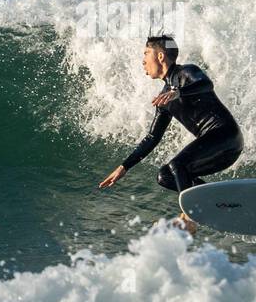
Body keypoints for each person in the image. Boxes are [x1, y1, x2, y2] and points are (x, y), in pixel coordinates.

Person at [98, 35, 243, 229]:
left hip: (225, 135)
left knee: (178, 164)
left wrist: (179, 92)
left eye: (146, 54)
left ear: (160, 56)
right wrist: (124, 167)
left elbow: (206, 84)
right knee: (165, 175)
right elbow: (152, 137)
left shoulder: (187, 72)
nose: (143, 61)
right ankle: (220, 201)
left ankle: (189, 217)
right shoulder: (164, 98)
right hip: (216, 149)